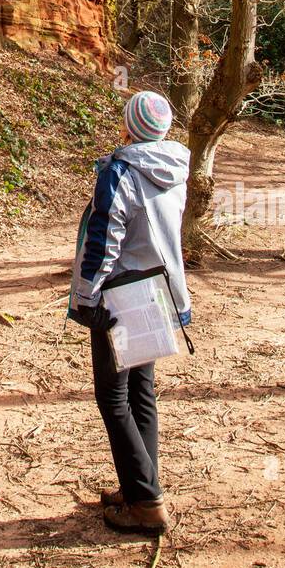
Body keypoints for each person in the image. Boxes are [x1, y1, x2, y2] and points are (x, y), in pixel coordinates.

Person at [69, 89, 191, 535]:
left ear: (129, 126)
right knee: (141, 392)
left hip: (120, 297)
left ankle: (147, 504)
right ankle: (140, 486)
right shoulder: (173, 168)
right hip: (157, 293)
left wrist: (88, 296)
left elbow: (105, 239)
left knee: (113, 398)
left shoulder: (121, 170)